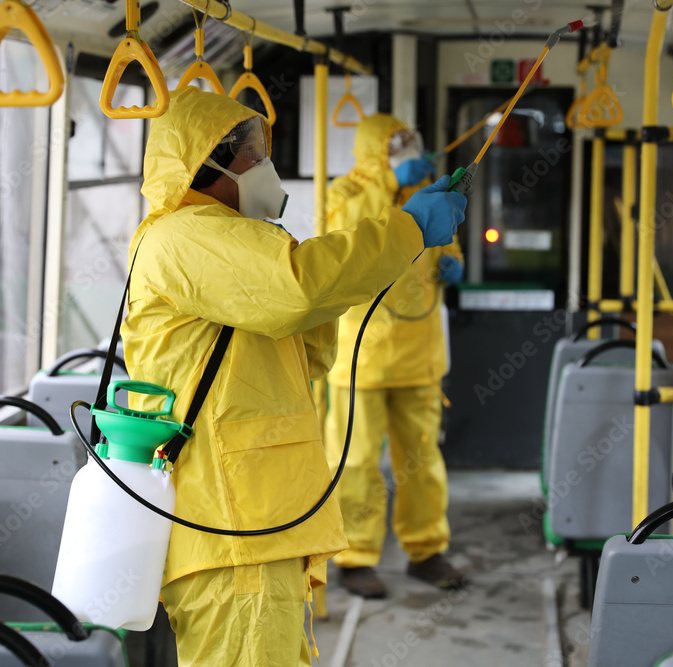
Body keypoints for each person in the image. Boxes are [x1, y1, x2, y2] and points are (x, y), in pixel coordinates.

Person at [121, 88, 466, 666]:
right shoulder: (186, 236)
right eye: (250, 152)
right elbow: (300, 289)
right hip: (233, 521)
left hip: (254, 516)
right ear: (206, 162)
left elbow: (304, 344)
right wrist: (406, 230)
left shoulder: (225, 239)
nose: (263, 164)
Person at [324, 114, 466, 599]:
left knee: (423, 460)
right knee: (357, 462)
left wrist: (454, 262)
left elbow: (450, 239)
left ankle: (426, 550)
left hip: (419, 351)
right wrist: (390, 185)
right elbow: (343, 244)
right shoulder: (343, 194)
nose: (408, 156)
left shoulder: (427, 192)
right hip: (360, 354)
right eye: (396, 148)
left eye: (410, 145)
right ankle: (354, 557)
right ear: (374, 152)